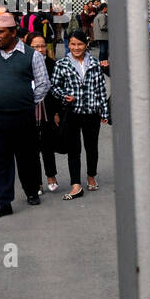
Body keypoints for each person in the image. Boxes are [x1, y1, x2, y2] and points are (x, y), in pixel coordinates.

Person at [0, 12, 50, 219]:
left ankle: (32, 191)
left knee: (27, 157)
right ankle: (2, 202)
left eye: (1, 32)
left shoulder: (30, 54)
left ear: (13, 32)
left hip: (23, 116)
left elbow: (43, 83)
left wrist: (26, 101)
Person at [51, 30, 110, 200]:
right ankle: (75, 184)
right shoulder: (61, 64)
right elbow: (54, 86)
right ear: (68, 45)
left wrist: (104, 112)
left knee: (91, 147)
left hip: (92, 112)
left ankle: (91, 176)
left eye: (80, 44)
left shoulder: (94, 63)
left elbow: (100, 90)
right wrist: (64, 96)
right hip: (71, 113)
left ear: (86, 45)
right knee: (73, 149)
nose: (76, 48)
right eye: (73, 44)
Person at [28, 33, 62, 193]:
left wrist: (56, 112)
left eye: (42, 46)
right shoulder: (24, 64)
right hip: (29, 110)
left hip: (48, 110)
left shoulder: (52, 64)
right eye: (35, 46)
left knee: (47, 145)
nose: (40, 50)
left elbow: (56, 90)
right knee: (32, 148)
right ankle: (36, 182)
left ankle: (51, 176)